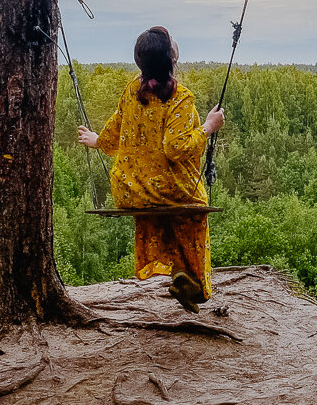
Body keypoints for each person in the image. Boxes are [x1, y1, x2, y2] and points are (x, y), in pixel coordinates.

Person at [77, 26, 225, 312]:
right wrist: (208, 127)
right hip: (167, 190)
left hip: (130, 190)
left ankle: (177, 270)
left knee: (161, 209)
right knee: (193, 207)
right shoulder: (180, 97)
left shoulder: (133, 89)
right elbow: (176, 148)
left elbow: (115, 130)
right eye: (173, 43)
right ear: (170, 57)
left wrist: (98, 142)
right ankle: (194, 283)